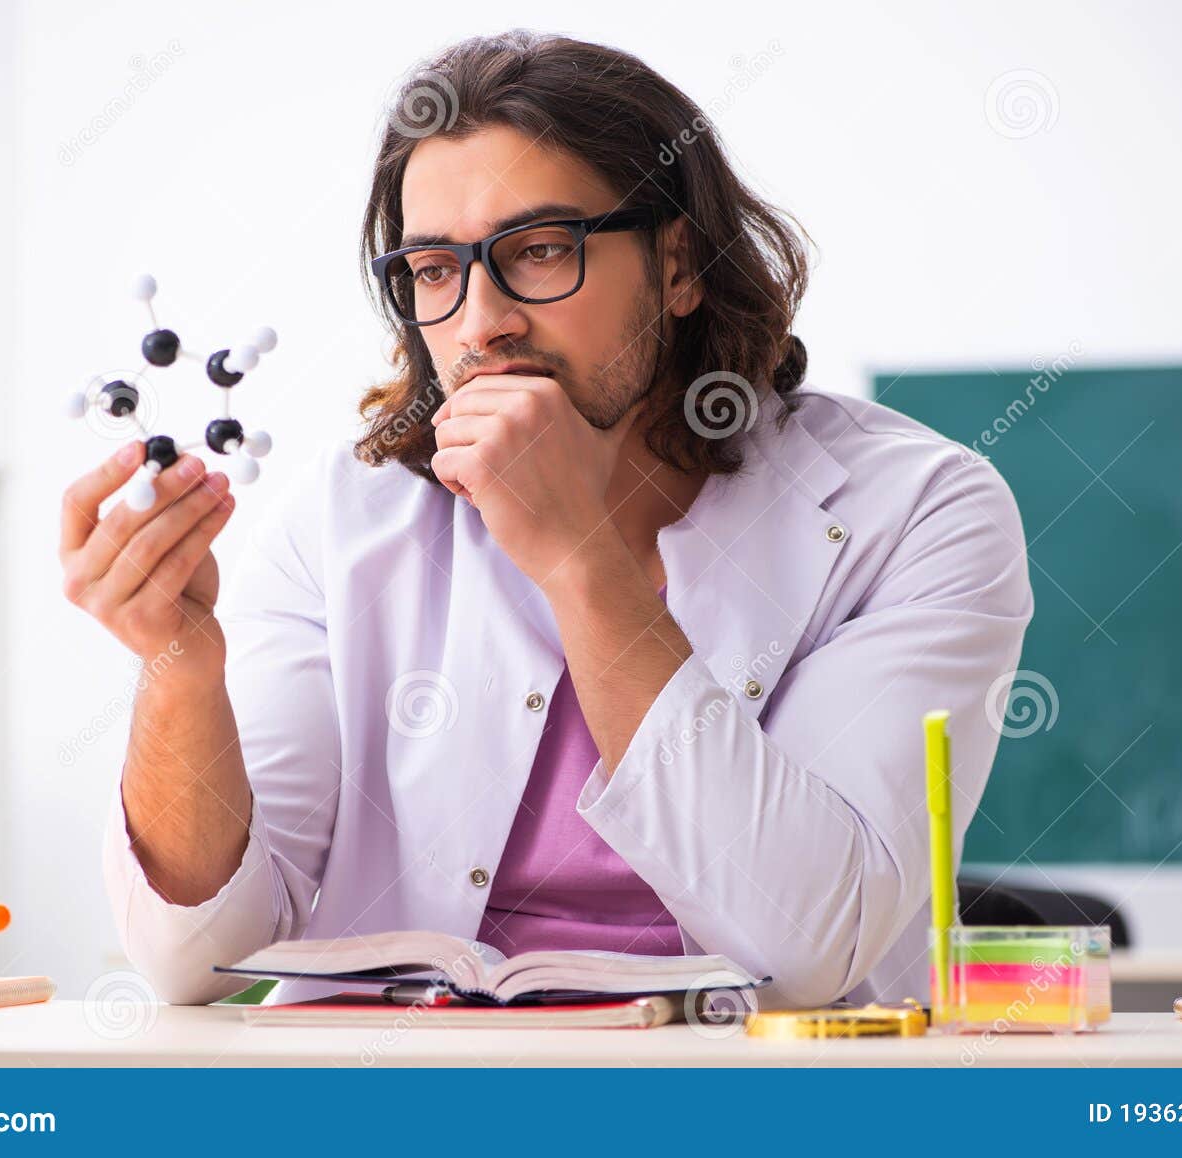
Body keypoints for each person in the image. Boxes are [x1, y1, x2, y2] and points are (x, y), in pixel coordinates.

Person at [60, 30, 1033, 1007]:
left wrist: (578, 556)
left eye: (536, 251)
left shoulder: (914, 513)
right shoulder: (343, 522)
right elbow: (195, 957)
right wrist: (179, 666)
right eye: (434, 271)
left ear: (680, 264)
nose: (480, 321)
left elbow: (808, 950)